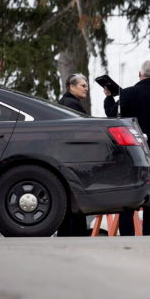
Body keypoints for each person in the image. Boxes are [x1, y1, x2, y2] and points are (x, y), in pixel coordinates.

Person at [104, 60, 150, 236]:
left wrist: (108, 96)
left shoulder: (127, 93)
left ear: (139, 74)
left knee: (128, 197)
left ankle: (127, 235)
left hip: (130, 155)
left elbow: (112, 116)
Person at [56, 73, 90, 236]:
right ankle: (75, 233)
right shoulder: (71, 104)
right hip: (74, 158)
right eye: (83, 85)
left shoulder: (67, 102)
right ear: (71, 87)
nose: (86, 88)